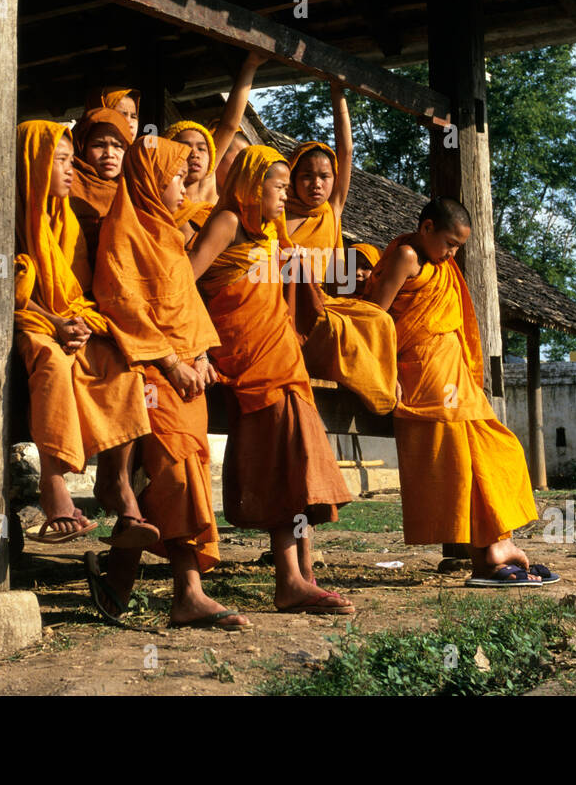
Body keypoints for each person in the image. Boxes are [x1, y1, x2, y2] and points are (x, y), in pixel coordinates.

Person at [189, 144, 355, 615]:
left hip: (281, 358)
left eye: (285, 187)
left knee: (300, 463)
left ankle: (303, 575)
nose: (287, 196)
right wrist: (197, 346)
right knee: (284, 465)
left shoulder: (270, 235)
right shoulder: (226, 224)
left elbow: (293, 287)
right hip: (247, 359)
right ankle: (290, 581)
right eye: (278, 187)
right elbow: (184, 279)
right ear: (251, 185)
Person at [93, 133, 250, 630]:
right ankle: (188, 593)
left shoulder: (166, 231)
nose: (185, 191)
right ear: (150, 181)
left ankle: (114, 582)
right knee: (176, 474)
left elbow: (182, 302)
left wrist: (201, 352)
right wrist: (170, 362)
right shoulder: (123, 230)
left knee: (175, 474)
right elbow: (123, 303)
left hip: (187, 374)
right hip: (153, 373)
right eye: (177, 180)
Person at [363, 197, 558, 587]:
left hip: (454, 372)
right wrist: (383, 370)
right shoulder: (405, 255)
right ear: (427, 228)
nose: (452, 253)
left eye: (458, 247)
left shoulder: (442, 267)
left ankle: (500, 545)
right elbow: (372, 315)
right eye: (450, 243)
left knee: (494, 449)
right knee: (459, 465)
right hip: (424, 373)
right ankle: (485, 559)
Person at [13, 120, 156, 545]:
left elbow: (75, 290)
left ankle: (117, 483)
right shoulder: (10, 215)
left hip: (67, 320)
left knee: (123, 363)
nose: (69, 170)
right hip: (25, 324)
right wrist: (56, 324)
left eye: (67, 160)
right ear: (34, 164)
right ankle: (53, 485)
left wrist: (76, 323)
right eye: (58, 161)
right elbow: (5, 289)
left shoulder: (65, 219)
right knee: (53, 361)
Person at [280, 86, 398, 415]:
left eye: (324, 176)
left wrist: (338, 94)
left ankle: (384, 387)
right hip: (289, 311)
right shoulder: (275, 214)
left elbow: (346, 152)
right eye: (306, 177)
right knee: (337, 331)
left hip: (327, 302)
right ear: (290, 178)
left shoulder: (332, 212)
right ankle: (371, 389)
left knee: (379, 320)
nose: (316, 184)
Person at [167, 50, 268, 246]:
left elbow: (231, 126)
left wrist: (251, 66)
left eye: (201, 149)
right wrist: (249, 67)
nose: (194, 154)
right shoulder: (160, 189)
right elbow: (228, 126)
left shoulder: (210, 180)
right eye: (185, 147)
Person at [68, 107, 131, 266]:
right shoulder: (67, 182)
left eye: (118, 146)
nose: (109, 153)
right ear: (82, 146)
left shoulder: (132, 188)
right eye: (98, 145)